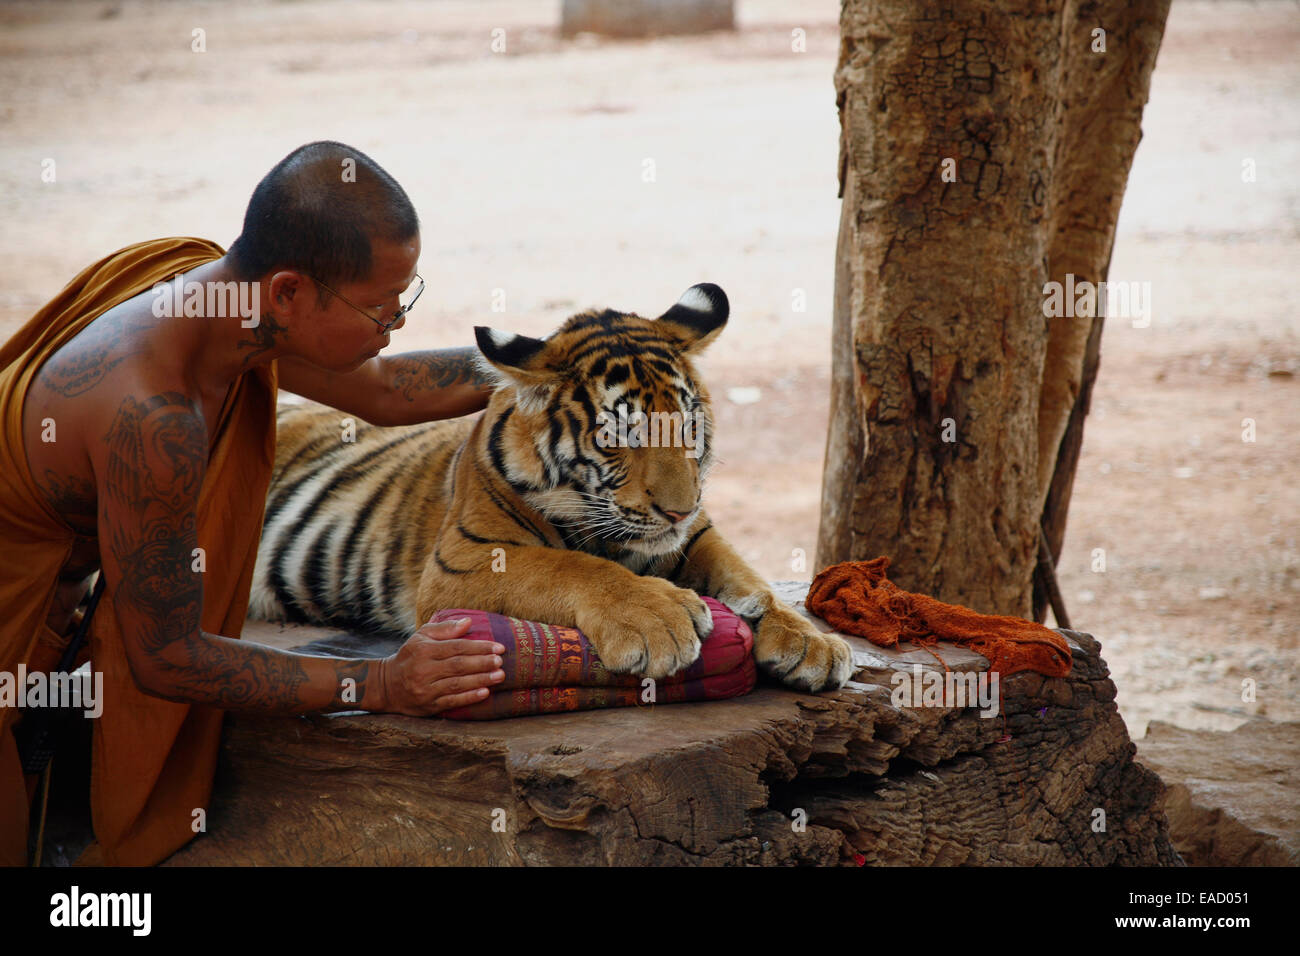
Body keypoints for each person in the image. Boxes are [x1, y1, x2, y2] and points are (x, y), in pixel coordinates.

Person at [0, 141, 508, 866]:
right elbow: (168, 659)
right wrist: (383, 683)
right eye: (378, 310)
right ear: (291, 293)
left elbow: (385, 391)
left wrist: (552, 357)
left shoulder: (229, 302)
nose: (392, 327)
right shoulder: (151, 414)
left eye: (404, 301)